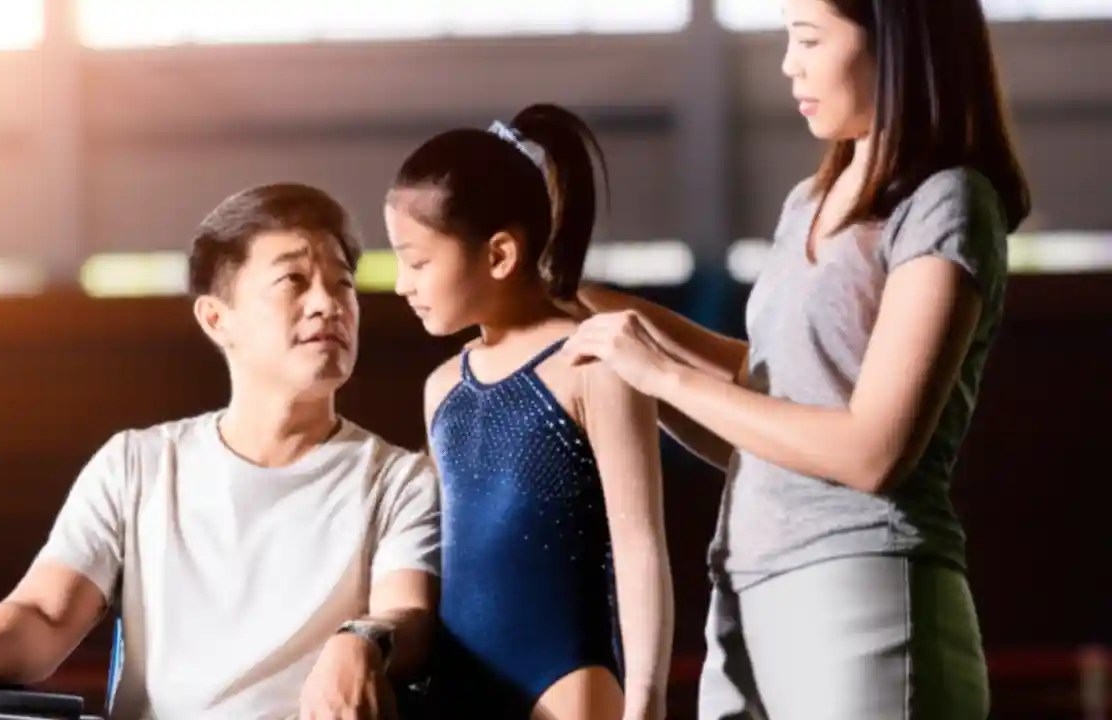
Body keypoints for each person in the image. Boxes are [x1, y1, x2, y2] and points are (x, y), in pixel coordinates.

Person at [563, 0, 1030, 717]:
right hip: (745, 591)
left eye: (808, 39)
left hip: (861, 588)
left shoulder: (947, 200)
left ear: (894, 43)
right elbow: (764, 413)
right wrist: (592, 309)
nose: (789, 64)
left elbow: (871, 451)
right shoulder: (808, 202)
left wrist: (662, 373)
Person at [0, 183, 442, 720]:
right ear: (216, 319)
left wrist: (362, 638)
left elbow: (408, 615)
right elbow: (43, 613)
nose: (328, 304)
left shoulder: (398, 480)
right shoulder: (136, 466)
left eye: (342, 284)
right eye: (292, 281)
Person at [385, 104, 674, 720]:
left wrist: (647, 704)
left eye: (418, 262)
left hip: (566, 684)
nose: (402, 284)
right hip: (456, 691)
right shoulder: (443, 386)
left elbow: (640, 547)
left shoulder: (589, 363)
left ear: (499, 254)